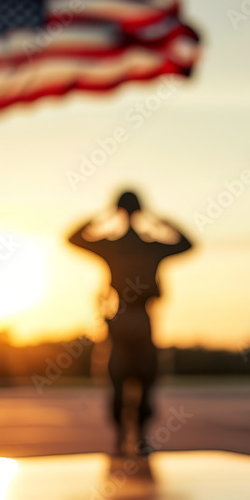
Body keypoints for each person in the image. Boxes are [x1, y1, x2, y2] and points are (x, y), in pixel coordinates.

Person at [68, 190, 192, 455]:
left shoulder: (113, 246)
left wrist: (102, 218)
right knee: (139, 376)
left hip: (124, 317)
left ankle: (125, 437)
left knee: (123, 377)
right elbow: (186, 243)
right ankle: (137, 437)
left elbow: (74, 238)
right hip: (139, 318)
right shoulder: (151, 246)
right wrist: (159, 221)